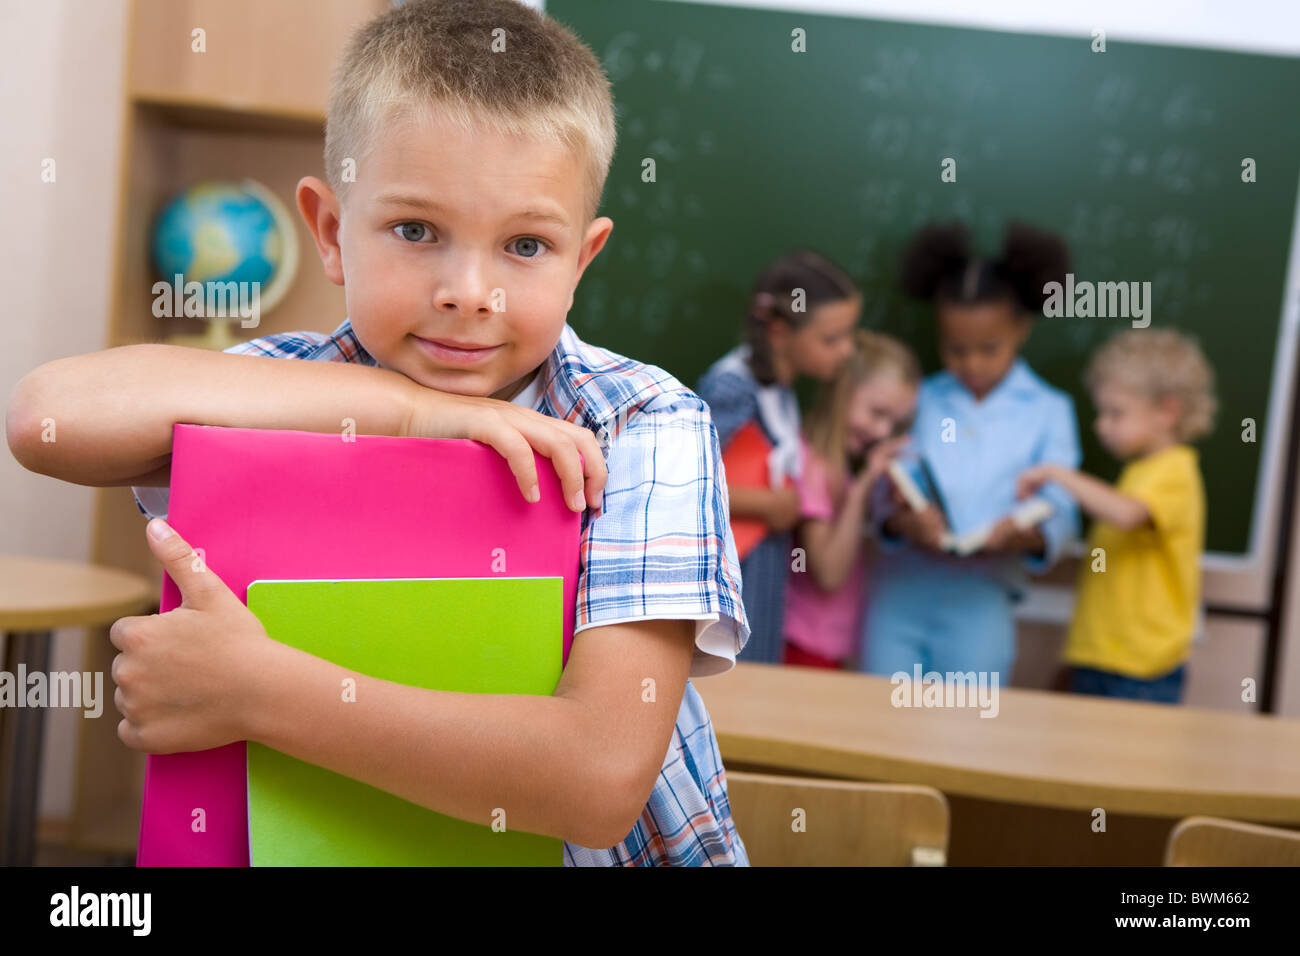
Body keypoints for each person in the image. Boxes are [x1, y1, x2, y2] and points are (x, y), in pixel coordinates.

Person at [8, 0, 750, 866]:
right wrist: (410, 413)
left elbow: (596, 782)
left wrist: (256, 692)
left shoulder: (639, 423)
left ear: (581, 261)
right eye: (415, 230)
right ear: (330, 231)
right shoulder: (289, 383)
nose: (470, 292)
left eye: (525, 246)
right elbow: (46, 418)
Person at [862, 221, 1080, 681]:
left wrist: (1026, 535)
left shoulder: (1049, 409)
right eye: (955, 349)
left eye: (988, 348)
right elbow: (887, 484)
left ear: (1022, 327)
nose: (972, 363)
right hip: (898, 593)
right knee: (877, 724)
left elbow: (1063, 506)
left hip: (984, 597)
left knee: (965, 735)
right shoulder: (919, 396)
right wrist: (902, 518)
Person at [1018, 329, 1215, 704]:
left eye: (1116, 413)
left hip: (1142, 668)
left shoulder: (1174, 471)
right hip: (1101, 657)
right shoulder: (1138, 473)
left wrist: (1057, 473)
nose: (1101, 425)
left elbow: (1126, 514)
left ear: (1167, 412)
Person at [696, 250, 859, 663]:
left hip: (763, 571)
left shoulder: (780, 390)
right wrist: (768, 504)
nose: (846, 351)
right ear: (780, 331)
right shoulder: (733, 389)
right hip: (733, 574)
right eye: (831, 339)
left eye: (849, 334)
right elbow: (688, 482)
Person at [783, 330, 919, 669]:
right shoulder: (814, 467)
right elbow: (829, 573)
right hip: (803, 646)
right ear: (842, 392)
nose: (884, 432)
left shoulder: (834, 467)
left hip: (823, 646)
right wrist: (863, 489)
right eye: (877, 413)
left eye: (895, 422)